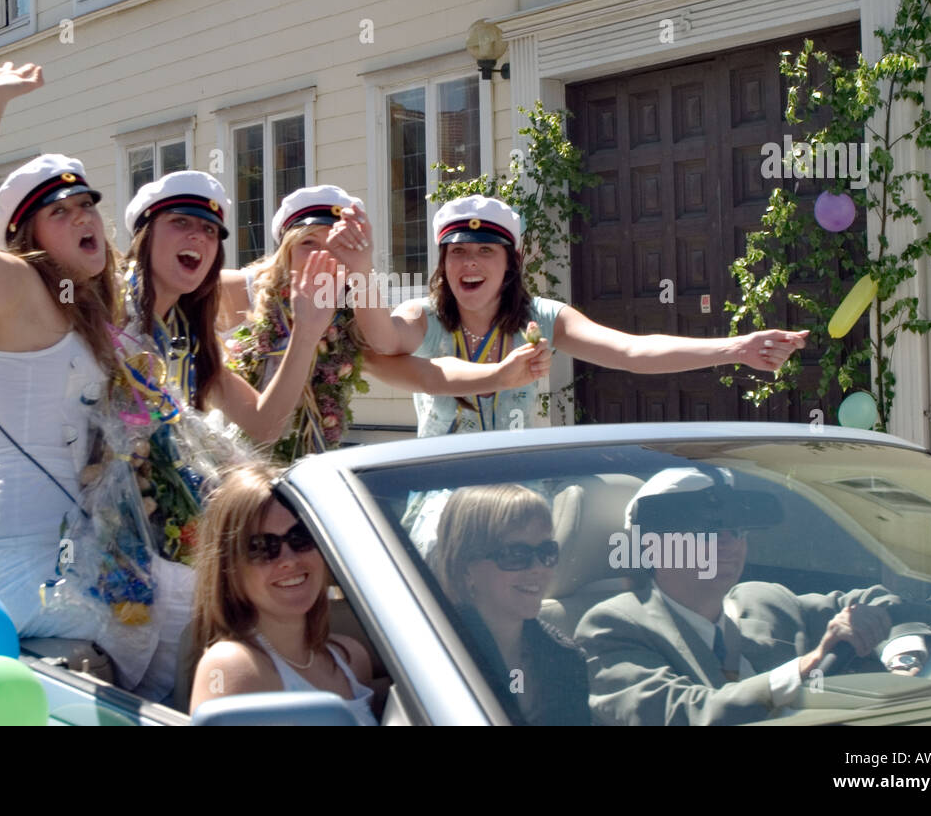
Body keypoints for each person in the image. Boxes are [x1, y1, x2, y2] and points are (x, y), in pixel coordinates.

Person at [0, 56, 161, 688]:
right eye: (61, 212)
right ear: (26, 239)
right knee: (182, 610)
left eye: (87, 205)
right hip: (23, 571)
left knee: (196, 592)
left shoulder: (86, 311)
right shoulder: (24, 291)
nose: (85, 217)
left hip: (76, 556)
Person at [334, 195, 810, 437]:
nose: (470, 264)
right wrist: (362, 271)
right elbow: (379, 339)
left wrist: (734, 348)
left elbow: (631, 351)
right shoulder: (423, 316)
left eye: (485, 251)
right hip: (440, 494)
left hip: (515, 497)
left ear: (511, 263)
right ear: (443, 264)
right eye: (457, 253)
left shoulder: (542, 316)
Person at [576, 466, 931, 726]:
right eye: (707, 530)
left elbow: (881, 603)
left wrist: (902, 654)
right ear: (653, 547)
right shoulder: (612, 626)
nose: (730, 541)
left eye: (738, 528)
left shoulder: (765, 600)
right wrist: (808, 666)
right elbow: (684, 715)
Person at [222, 185, 552, 459]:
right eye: (309, 244)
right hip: (235, 470)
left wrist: (499, 375)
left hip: (305, 469)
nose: (324, 258)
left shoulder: (348, 321)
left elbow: (428, 374)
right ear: (288, 251)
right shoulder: (247, 290)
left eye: (338, 248)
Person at [189, 462, 377, 724]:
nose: (288, 559)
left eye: (301, 536)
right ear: (229, 568)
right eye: (262, 546)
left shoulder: (352, 658)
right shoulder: (228, 667)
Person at [429, 483, 591, 725]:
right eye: (515, 554)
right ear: (466, 567)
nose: (538, 568)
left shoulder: (566, 658)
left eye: (547, 551)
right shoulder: (433, 657)